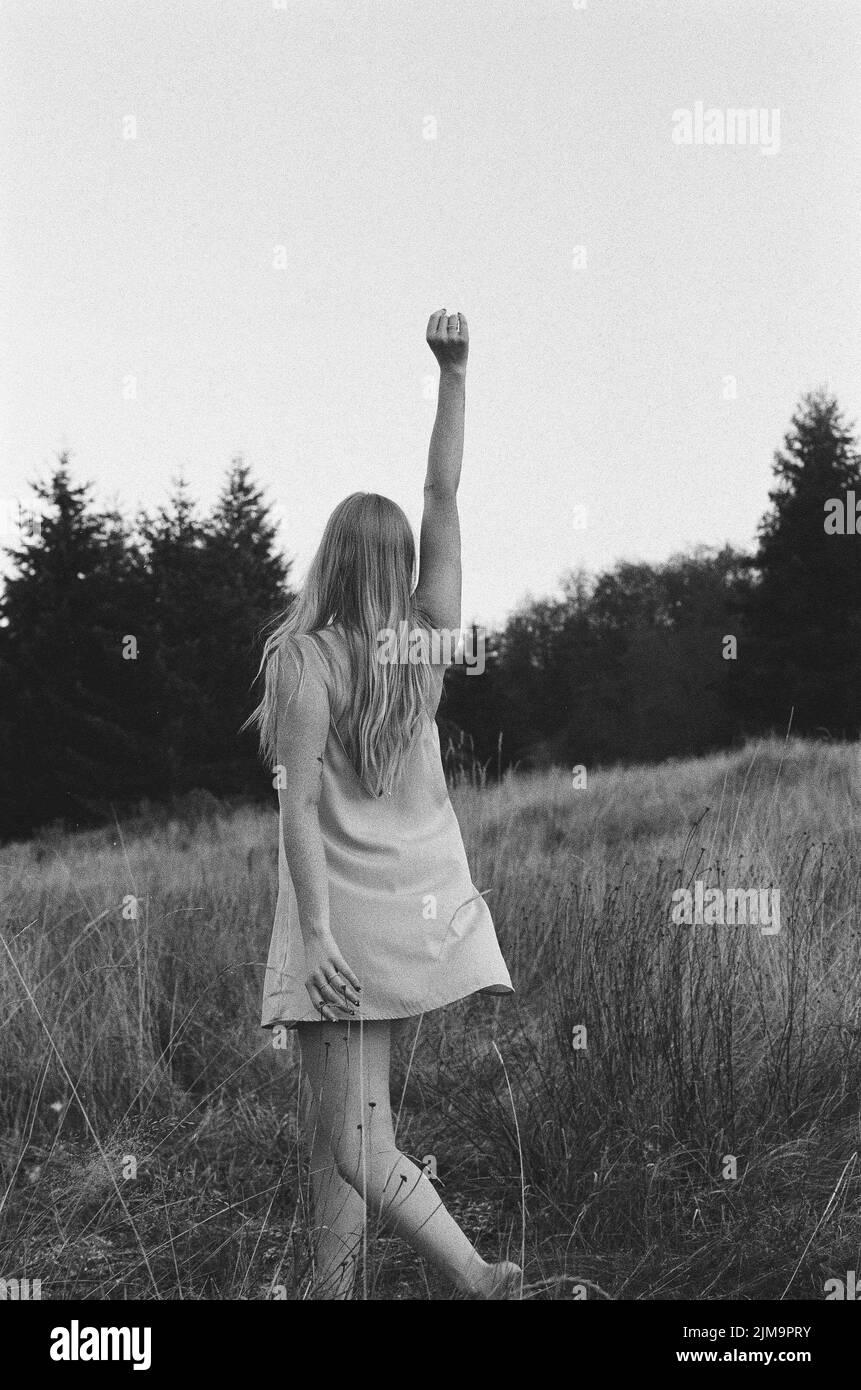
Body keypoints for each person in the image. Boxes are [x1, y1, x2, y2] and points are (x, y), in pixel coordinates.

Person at [247, 310, 519, 1299]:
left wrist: (316, 932)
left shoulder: (303, 661)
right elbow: (443, 491)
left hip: (338, 924)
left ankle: (478, 1274)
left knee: (360, 1142)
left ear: (327, 559)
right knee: (339, 1136)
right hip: (413, 917)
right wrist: (455, 375)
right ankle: (333, 1291)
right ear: (398, 570)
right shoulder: (425, 646)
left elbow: (294, 803)